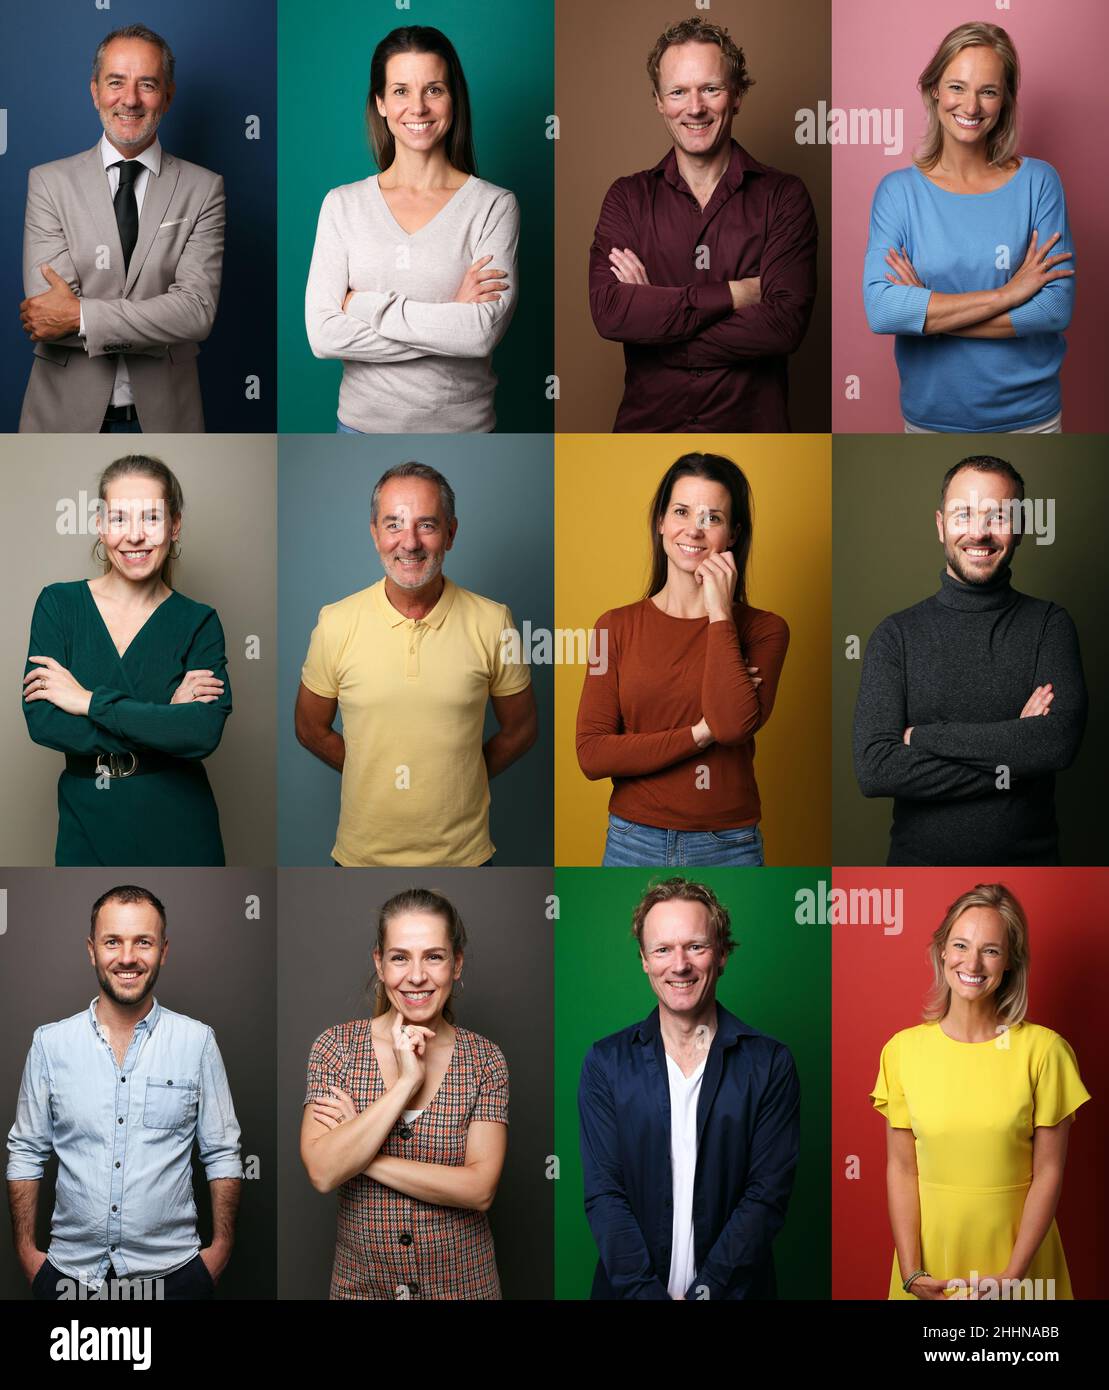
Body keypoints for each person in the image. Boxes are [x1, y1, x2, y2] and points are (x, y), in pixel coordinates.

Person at [6, 885, 243, 1301]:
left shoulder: (197, 1042)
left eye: (143, 942)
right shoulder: (49, 1044)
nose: (128, 957)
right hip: (69, 1277)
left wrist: (219, 1251)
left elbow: (222, 1151)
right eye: (112, 941)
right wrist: (27, 1253)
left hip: (177, 1276)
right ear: (91, 950)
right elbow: (26, 1151)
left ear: (163, 951)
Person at [295, 461, 537, 867]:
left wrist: (462, 778)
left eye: (426, 525)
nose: (409, 542)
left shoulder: (495, 622)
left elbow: (522, 728)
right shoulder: (335, 622)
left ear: (451, 534)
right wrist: (368, 771)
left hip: (466, 859)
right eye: (393, 525)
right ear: (374, 534)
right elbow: (309, 727)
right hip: (360, 860)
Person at [853, 454, 1086, 866]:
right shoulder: (895, 635)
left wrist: (923, 737)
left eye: (997, 516)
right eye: (963, 515)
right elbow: (876, 770)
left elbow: (1056, 745)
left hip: (1031, 872)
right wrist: (1015, 752)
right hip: (918, 874)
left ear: (1021, 528)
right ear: (941, 525)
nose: (979, 532)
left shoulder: (1050, 624)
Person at [588, 17, 817, 433]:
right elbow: (610, 315)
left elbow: (784, 327)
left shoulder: (784, 196)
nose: (694, 108)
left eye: (710, 89)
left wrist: (658, 322)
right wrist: (736, 293)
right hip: (646, 434)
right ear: (659, 101)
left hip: (754, 435)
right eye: (678, 92)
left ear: (737, 96)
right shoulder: (627, 198)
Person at [578, 877, 800, 1299]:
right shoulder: (606, 1063)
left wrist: (709, 1291)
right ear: (644, 960)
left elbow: (766, 1196)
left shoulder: (770, 1064)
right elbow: (605, 1195)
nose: (679, 965)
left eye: (695, 946)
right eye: (663, 949)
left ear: (722, 955)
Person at [872, 883, 1089, 1300]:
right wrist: (911, 1270)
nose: (972, 962)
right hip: (928, 1265)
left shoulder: (1045, 1052)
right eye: (960, 944)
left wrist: (1013, 1274)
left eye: (990, 950)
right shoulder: (901, 1051)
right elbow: (902, 1169)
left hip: (1020, 1265)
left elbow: (1049, 1171)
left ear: (1009, 962)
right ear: (942, 951)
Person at [576, 452, 789, 867]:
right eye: (681, 511)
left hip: (729, 844)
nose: (694, 528)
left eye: (713, 518)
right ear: (660, 522)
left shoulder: (765, 630)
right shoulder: (612, 627)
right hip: (631, 839)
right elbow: (592, 754)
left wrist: (720, 614)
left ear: (732, 534)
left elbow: (730, 726)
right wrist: (698, 732)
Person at [862, 22, 1074, 433]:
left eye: (988, 91)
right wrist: (1008, 294)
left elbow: (1053, 309)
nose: (971, 106)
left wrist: (927, 312)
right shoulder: (897, 192)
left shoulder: (1039, 183)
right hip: (931, 419)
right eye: (957, 86)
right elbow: (883, 311)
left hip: (1030, 418)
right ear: (934, 89)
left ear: (1005, 101)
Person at [305, 25, 518, 433]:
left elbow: (478, 336)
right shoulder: (342, 204)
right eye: (401, 91)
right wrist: (447, 319)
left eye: (434, 89)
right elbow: (323, 336)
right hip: (358, 431)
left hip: (463, 433)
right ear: (380, 102)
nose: (418, 107)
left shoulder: (494, 205)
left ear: (454, 100)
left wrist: (362, 306)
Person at [23, 454, 231, 866]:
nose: (134, 536)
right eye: (119, 519)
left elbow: (202, 733)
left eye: (151, 518)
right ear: (100, 526)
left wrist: (87, 702)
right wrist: (163, 719)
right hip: (88, 822)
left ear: (174, 526)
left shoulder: (199, 621)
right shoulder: (59, 605)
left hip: (182, 828)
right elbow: (43, 722)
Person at [300, 888, 509, 1301]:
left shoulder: (485, 1058)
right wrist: (404, 1085)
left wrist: (360, 1156)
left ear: (457, 963)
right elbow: (323, 1172)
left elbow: (480, 1189)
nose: (416, 976)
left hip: (465, 1288)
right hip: (362, 1288)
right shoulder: (336, 1048)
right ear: (379, 964)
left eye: (434, 956)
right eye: (400, 957)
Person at [18, 24, 225, 434]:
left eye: (146, 84)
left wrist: (80, 315)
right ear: (95, 91)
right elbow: (46, 313)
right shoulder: (48, 182)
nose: (129, 100)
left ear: (167, 96)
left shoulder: (204, 188)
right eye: (116, 83)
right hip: (61, 416)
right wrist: (155, 319)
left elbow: (196, 314)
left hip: (168, 418)